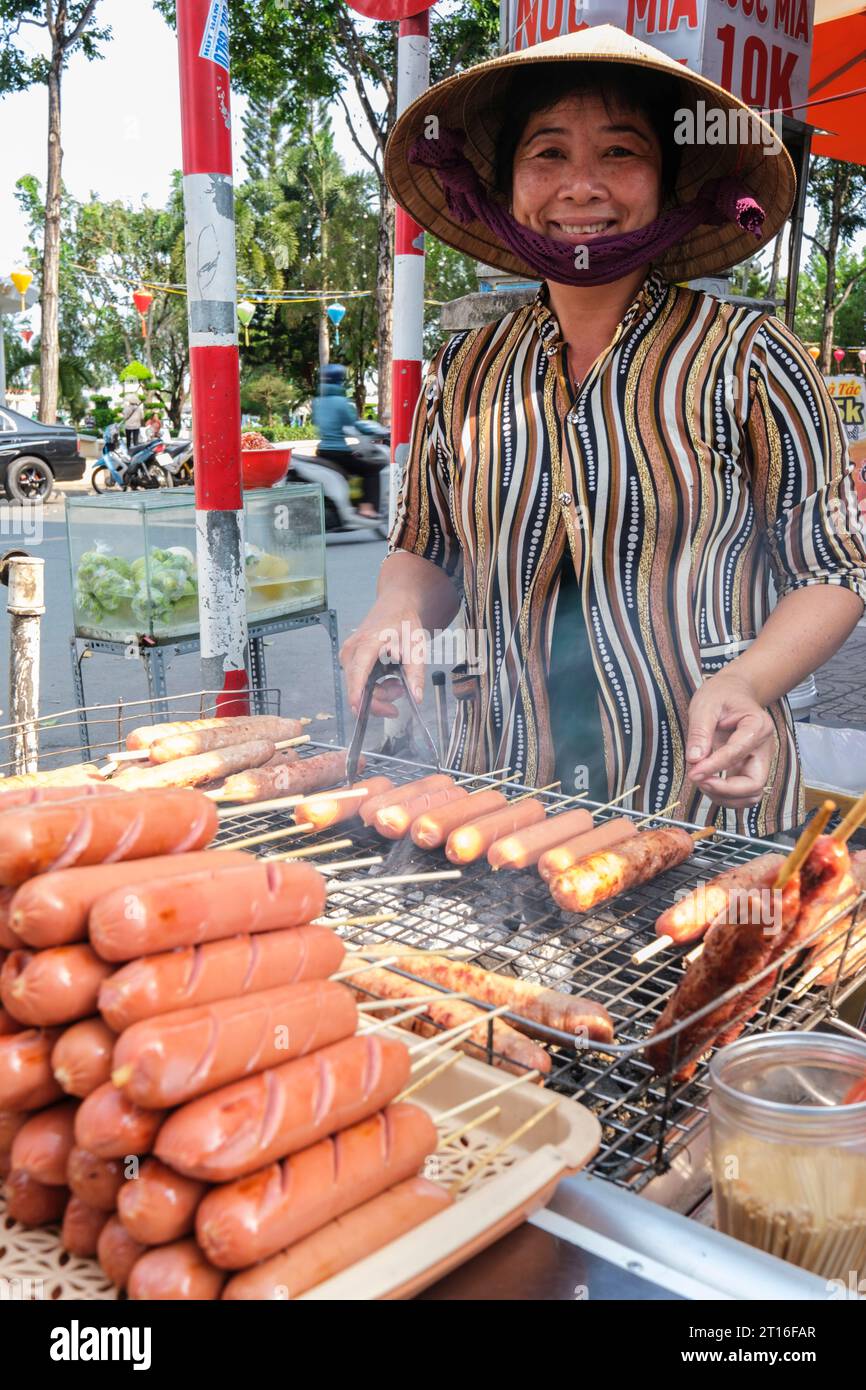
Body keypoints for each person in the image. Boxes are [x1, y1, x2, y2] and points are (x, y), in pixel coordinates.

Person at [341, 26, 866, 837]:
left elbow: (830, 567)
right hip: (499, 801)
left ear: (668, 181)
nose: (580, 186)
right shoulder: (465, 368)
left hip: (702, 796)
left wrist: (750, 684)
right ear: (506, 186)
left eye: (619, 152)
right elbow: (428, 548)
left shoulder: (752, 358)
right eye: (547, 155)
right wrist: (397, 613)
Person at [312, 363, 385, 519]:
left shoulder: (317, 402)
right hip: (339, 452)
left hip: (322, 451)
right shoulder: (341, 402)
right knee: (371, 470)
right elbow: (354, 424)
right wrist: (375, 432)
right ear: (340, 381)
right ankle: (367, 508)